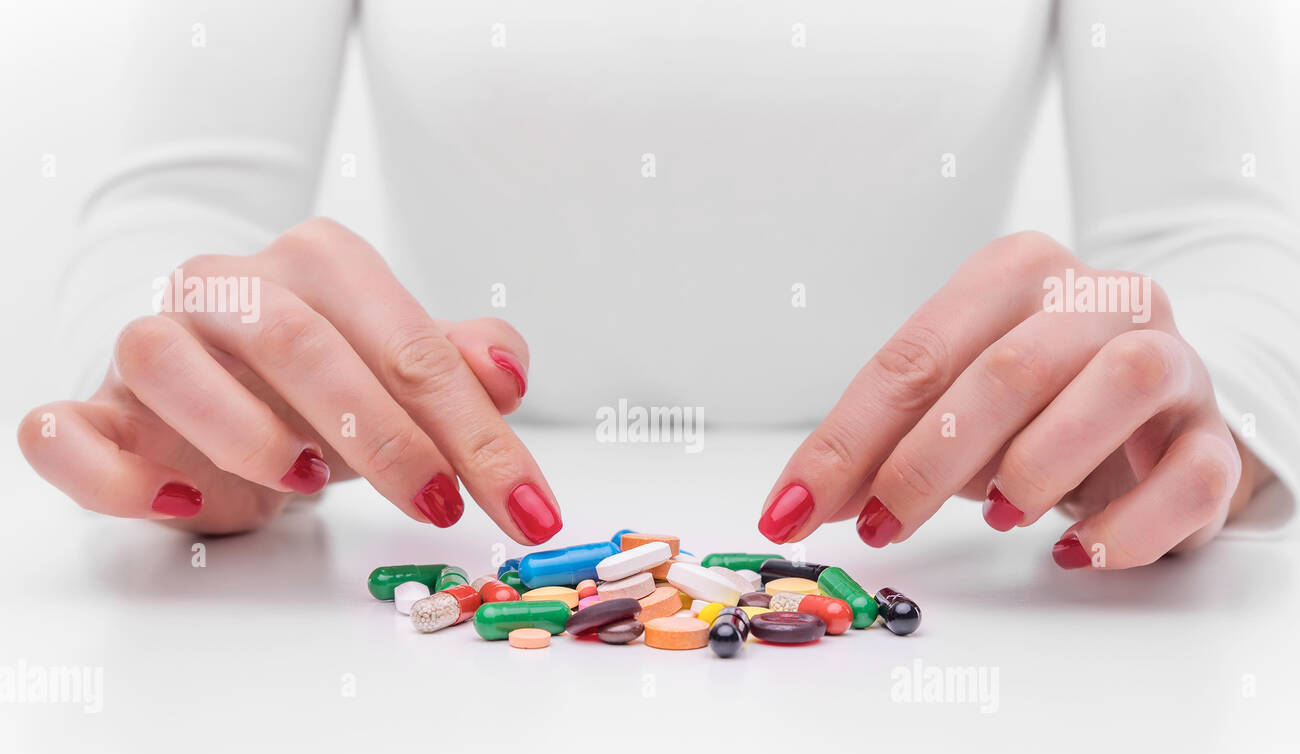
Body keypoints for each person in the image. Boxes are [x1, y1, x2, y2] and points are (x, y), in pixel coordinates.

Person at [16, 1, 1298, 570]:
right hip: (438, 555)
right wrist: (189, 375)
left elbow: (1216, 234)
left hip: (957, 560)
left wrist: (1194, 412)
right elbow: (170, 207)